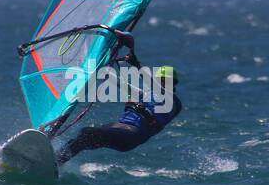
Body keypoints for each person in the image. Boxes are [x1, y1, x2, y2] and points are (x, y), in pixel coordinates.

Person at [55, 32, 181, 165]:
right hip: (121, 128)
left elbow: (157, 89)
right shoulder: (146, 94)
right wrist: (104, 65)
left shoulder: (174, 103)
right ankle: (56, 159)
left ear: (173, 83)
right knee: (84, 136)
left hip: (132, 135)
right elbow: (119, 82)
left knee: (89, 134)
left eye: (165, 80)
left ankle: (56, 162)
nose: (161, 82)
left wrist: (137, 65)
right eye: (160, 79)